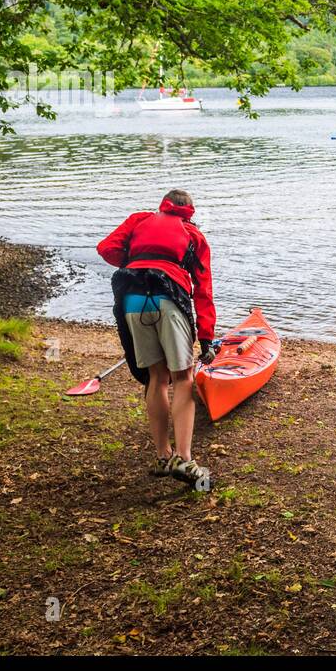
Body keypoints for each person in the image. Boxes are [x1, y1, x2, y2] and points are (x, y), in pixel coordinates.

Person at [97, 189, 215, 487]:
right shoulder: (193, 235)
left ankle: (163, 456)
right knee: (183, 377)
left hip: (132, 298)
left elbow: (106, 248)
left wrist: (138, 260)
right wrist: (206, 339)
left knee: (156, 377)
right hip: (168, 298)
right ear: (190, 210)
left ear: (163, 204)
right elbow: (203, 291)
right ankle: (184, 459)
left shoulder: (140, 220)